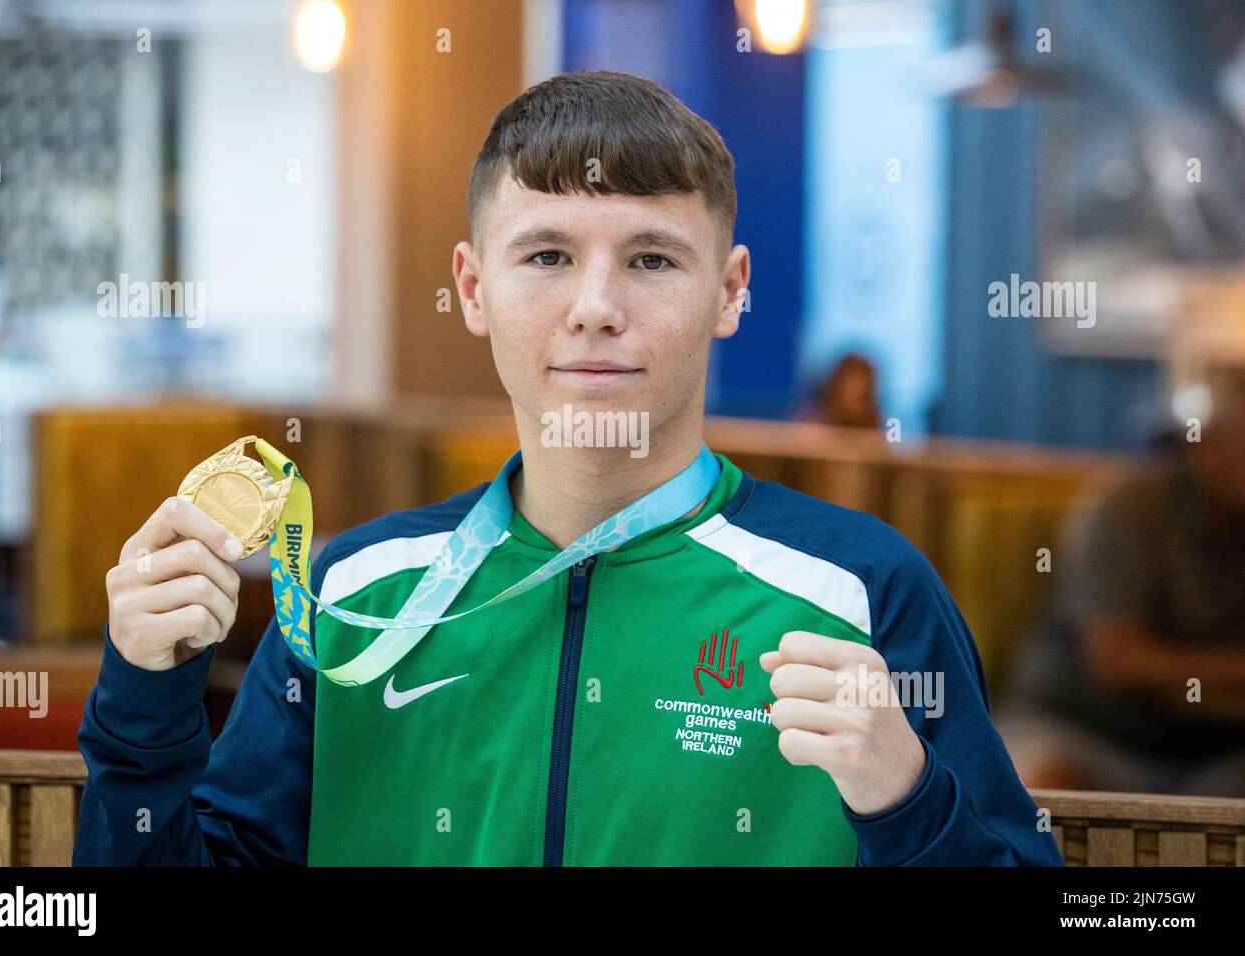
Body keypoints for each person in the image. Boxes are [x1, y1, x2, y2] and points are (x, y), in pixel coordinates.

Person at [74, 70, 1062, 866]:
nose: (595, 305)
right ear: (472, 287)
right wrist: (146, 696)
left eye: (651, 260)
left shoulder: (865, 587)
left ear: (729, 292)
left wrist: (907, 799)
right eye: (546, 254)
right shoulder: (349, 594)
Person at [997, 363, 1245, 797]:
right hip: (1078, 729)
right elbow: (1115, 663)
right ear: (1208, 445)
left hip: (1208, 755)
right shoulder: (1128, 507)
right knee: (1041, 795)